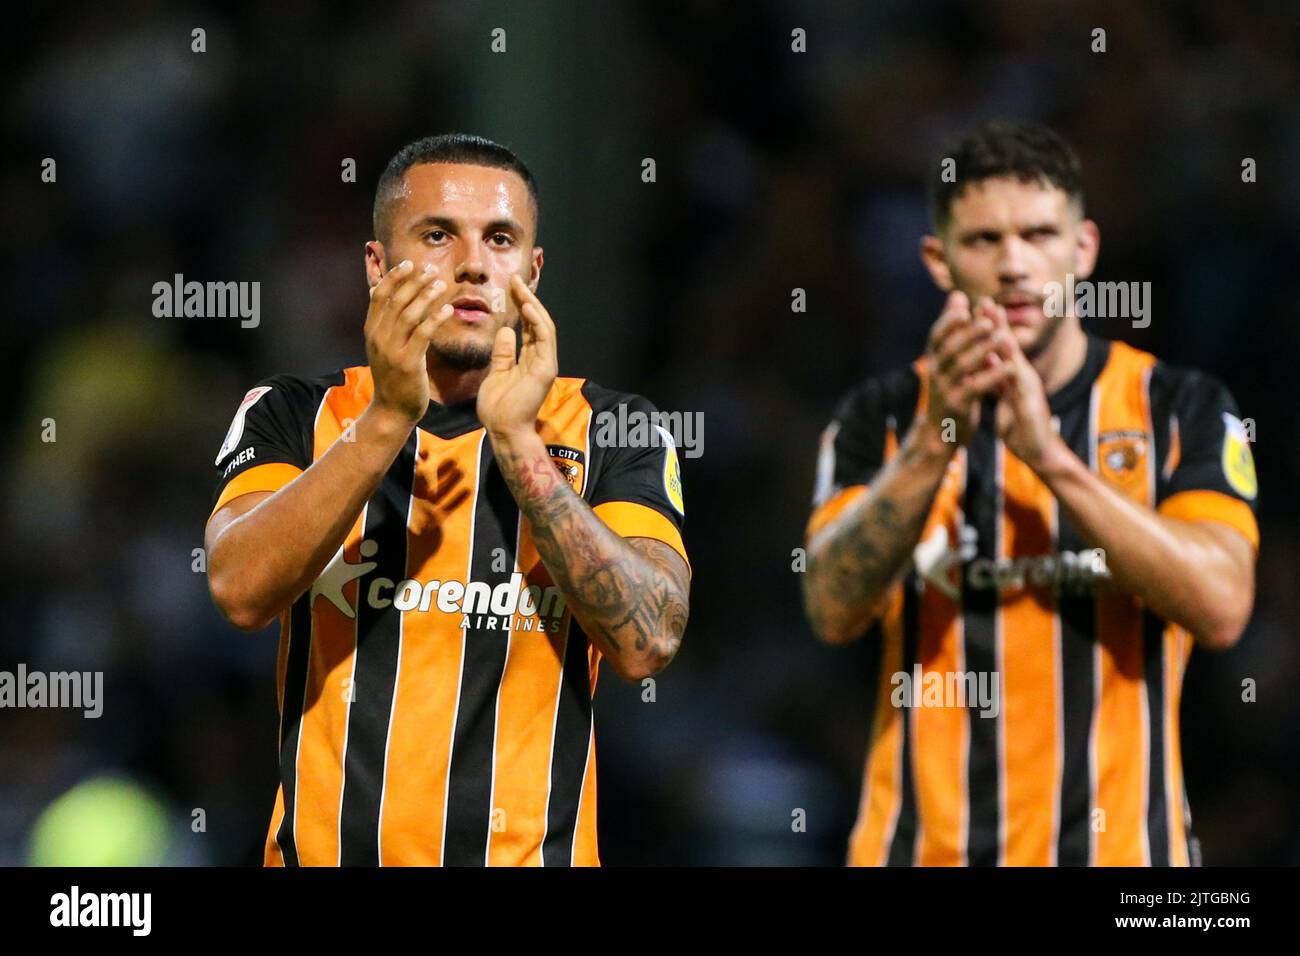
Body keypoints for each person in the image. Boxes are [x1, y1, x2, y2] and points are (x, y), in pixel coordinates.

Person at [204, 134, 690, 866]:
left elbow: (648, 640)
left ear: (533, 269)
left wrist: (522, 449)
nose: (471, 264)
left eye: (500, 239)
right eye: (437, 235)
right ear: (377, 265)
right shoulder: (292, 415)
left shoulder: (614, 428)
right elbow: (239, 589)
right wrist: (386, 423)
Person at [801, 120, 1258, 866]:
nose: (1014, 264)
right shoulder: (879, 417)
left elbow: (1223, 606)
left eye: (1039, 235)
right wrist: (930, 446)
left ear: (1083, 251)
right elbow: (830, 607)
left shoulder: (1182, 408)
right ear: (938, 260)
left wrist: (1052, 460)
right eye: (983, 241)